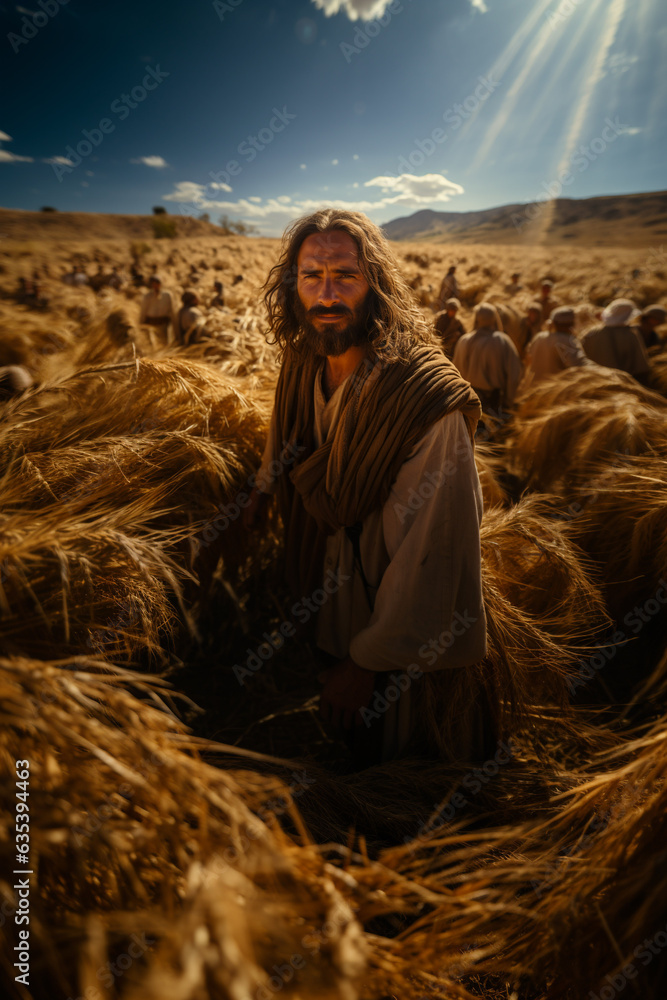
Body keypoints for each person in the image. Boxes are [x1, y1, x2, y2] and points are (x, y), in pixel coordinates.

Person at [244, 209, 489, 767]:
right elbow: (285, 436)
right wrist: (262, 489)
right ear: (293, 285)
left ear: (375, 281)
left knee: (400, 755)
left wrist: (368, 661)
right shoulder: (304, 360)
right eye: (312, 276)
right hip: (329, 587)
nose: (326, 294)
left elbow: (435, 548)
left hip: (395, 621)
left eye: (345, 276)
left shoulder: (424, 402)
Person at [453, 302, 521, 416]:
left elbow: (455, 372)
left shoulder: (464, 341)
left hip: (467, 400)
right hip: (494, 402)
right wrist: (508, 403)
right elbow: (514, 375)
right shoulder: (503, 341)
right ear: (494, 318)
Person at [582, 299, 651, 383]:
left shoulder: (592, 332)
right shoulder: (630, 334)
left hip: (593, 380)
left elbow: (582, 355)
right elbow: (640, 364)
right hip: (622, 382)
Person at [525, 307, 592, 382]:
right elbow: (580, 365)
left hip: (533, 387)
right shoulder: (568, 341)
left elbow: (528, 358)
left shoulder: (539, 337)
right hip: (552, 389)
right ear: (571, 324)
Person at [139, 275, 177, 344]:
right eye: (153, 284)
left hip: (163, 324)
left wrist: (175, 326)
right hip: (151, 325)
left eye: (157, 283)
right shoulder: (147, 296)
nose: (156, 286)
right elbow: (143, 312)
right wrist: (141, 325)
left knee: (165, 344)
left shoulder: (167, 295)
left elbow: (172, 310)